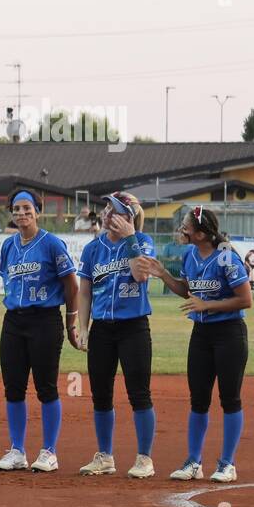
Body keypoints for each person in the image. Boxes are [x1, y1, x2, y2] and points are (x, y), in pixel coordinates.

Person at [139, 207, 251, 483]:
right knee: (198, 400)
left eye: (187, 227)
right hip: (201, 335)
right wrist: (163, 274)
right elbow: (186, 290)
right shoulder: (190, 255)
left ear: (201, 234)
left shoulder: (226, 256)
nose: (182, 231)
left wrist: (208, 305)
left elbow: (245, 299)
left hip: (229, 333)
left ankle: (227, 464)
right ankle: (194, 462)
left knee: (230, 399)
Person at [0, 190, 80, 473]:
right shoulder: (8, 246)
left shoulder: (51, 243)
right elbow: (7, 277)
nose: (21, 213)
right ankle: (17, 450)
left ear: (37, 212)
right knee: (14, 388)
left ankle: (49, 451)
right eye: (16, 209)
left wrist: (71, 322)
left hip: (45, 320)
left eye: (27, 208)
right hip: (14, 321)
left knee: (46, 387)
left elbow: (71, 284)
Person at [73, 192, 158, 478]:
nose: (108, 213)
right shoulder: (92, 248)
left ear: (129, 216)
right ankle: (104, 456)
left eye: (116, 210)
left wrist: (131, 237)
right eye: (107, 207)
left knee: (139, 393)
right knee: (101, 395)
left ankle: (144, 458)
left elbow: (140, 275)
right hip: (103, 329)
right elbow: (84, 292)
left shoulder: (143, 242)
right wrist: (83, 328)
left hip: (133, 326)